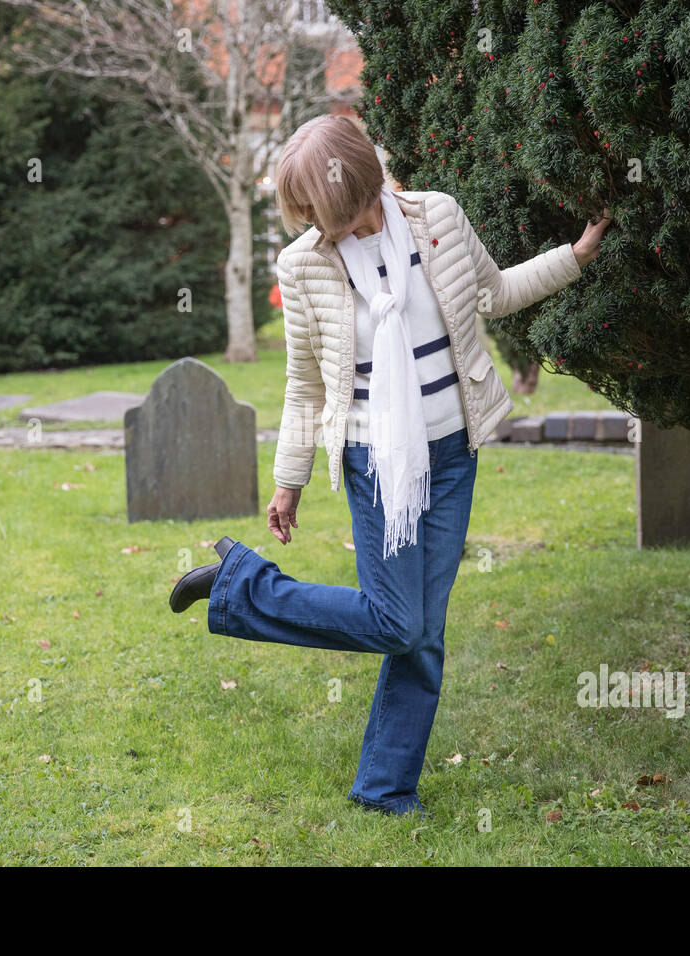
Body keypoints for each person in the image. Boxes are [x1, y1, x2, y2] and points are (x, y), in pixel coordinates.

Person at [170, 114, 610, 817]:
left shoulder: (437, 217)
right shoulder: (304, 263)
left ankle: (384, 788)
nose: (315, 223)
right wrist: (289, 482)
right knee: (398, 622)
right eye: (304, 212)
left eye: (321, 209)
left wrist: (574, 257)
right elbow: (305, 384)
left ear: (361, 185)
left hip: (451, 455)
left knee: (421, 632)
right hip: (377, 465)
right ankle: (239, 585)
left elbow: (494, 292)